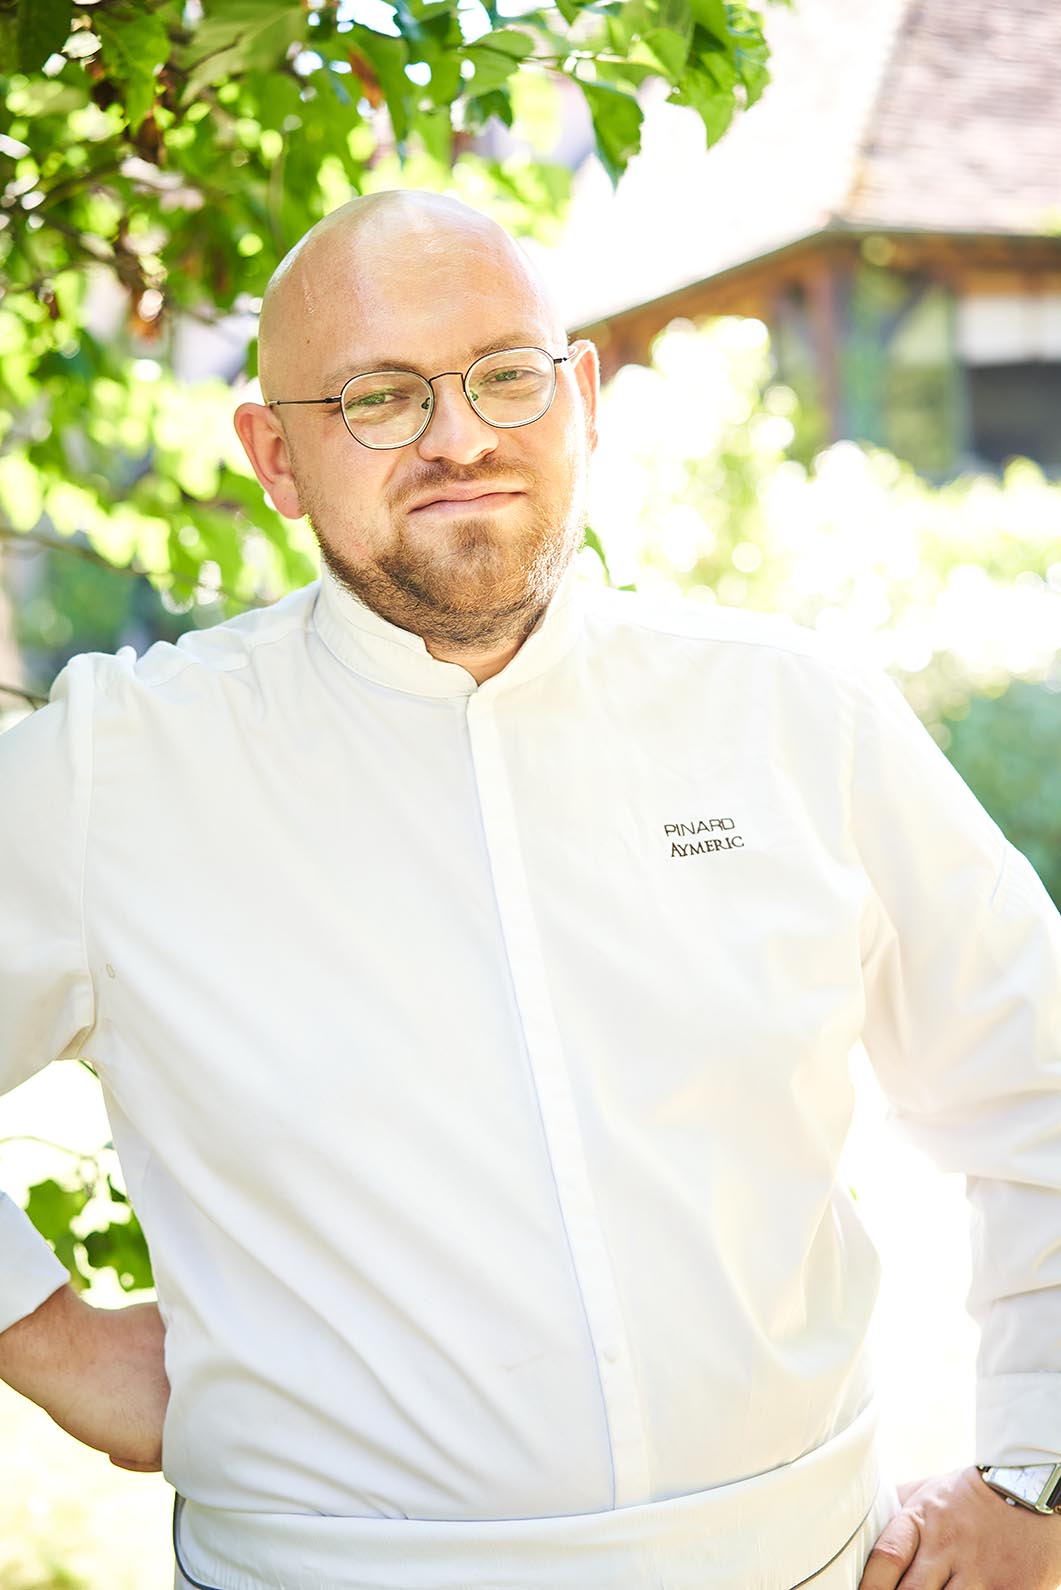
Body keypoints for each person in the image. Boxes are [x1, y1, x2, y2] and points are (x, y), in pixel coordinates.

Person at [0, 189, 1059, 1590]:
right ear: (273, 453)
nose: (458, 435)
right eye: (378, 396)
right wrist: (46, 1333)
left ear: (584, 398)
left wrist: (1034, 1475)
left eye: (506, 372)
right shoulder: (118, 765)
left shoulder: (795, 713)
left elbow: (1038, 1074)